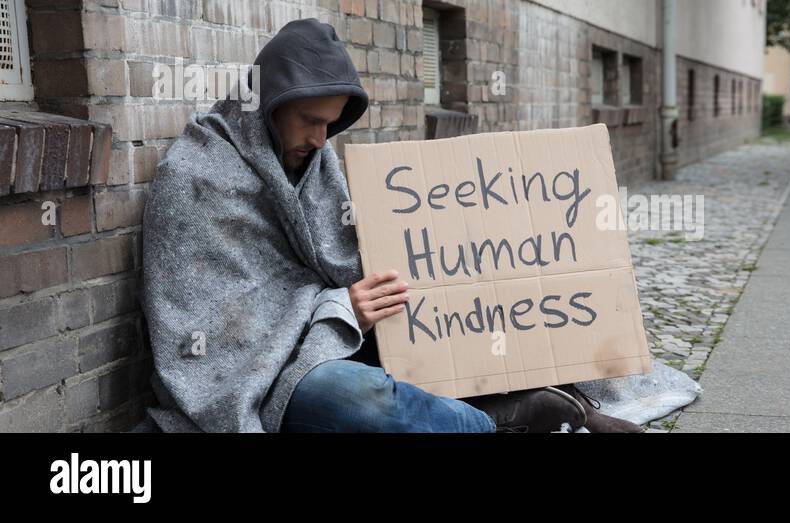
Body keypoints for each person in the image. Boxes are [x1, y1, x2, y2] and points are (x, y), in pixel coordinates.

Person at [141, 19, 641, 433]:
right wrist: (341, 310)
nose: (320, 140)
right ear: (267, 105)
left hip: (327, 342)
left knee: (438, 329)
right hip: (266, 382)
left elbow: (344, 266)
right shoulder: (195, 179)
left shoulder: (314, 164)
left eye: (331, 124)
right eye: (309, 120)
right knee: (351, 398)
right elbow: (215, 343)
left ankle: (546, 396)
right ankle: (507, 421)